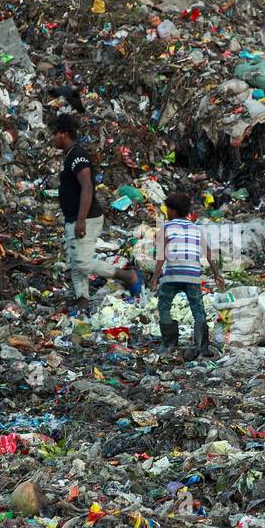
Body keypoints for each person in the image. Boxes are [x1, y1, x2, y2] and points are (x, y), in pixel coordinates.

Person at [50, 112, 142, 309]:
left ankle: (127, 275)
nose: (52, 138)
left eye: (54, 134)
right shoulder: (69, 156)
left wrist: (81, 219)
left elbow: (87, 187)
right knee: (76, 263)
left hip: (86, 217)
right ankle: (82, 300)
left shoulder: (77, 157)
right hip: (73, 217)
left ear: (63, 134)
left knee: (82, 263)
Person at [151, 192, 225, 359]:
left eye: (168, 209)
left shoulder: (166, 227)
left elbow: (161, 255)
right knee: (198, 309)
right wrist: (216, 274)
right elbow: (208, 253)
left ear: (174, 211)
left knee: (164, 305)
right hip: (192, 276)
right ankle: (202, 347)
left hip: (172, 276)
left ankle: (169, 343)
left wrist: (155, 277)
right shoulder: (196, 228)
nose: (166, 212)